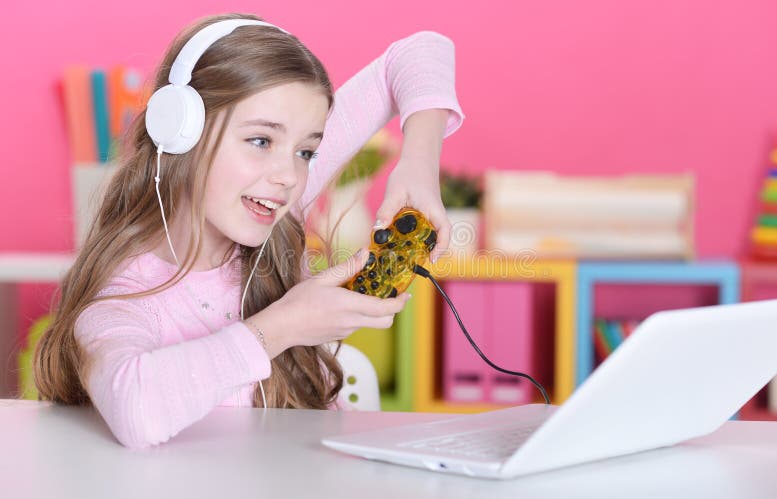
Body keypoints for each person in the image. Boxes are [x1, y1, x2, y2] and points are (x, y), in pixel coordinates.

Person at [32, 12, 464, 448]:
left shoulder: (273, 204)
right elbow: (137, 409)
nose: (289, 176)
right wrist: (286, 325)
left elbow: (421, 50)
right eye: (261, 141)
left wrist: (418, 166)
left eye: (307, 151)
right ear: (181, 133)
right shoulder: (125, 294)